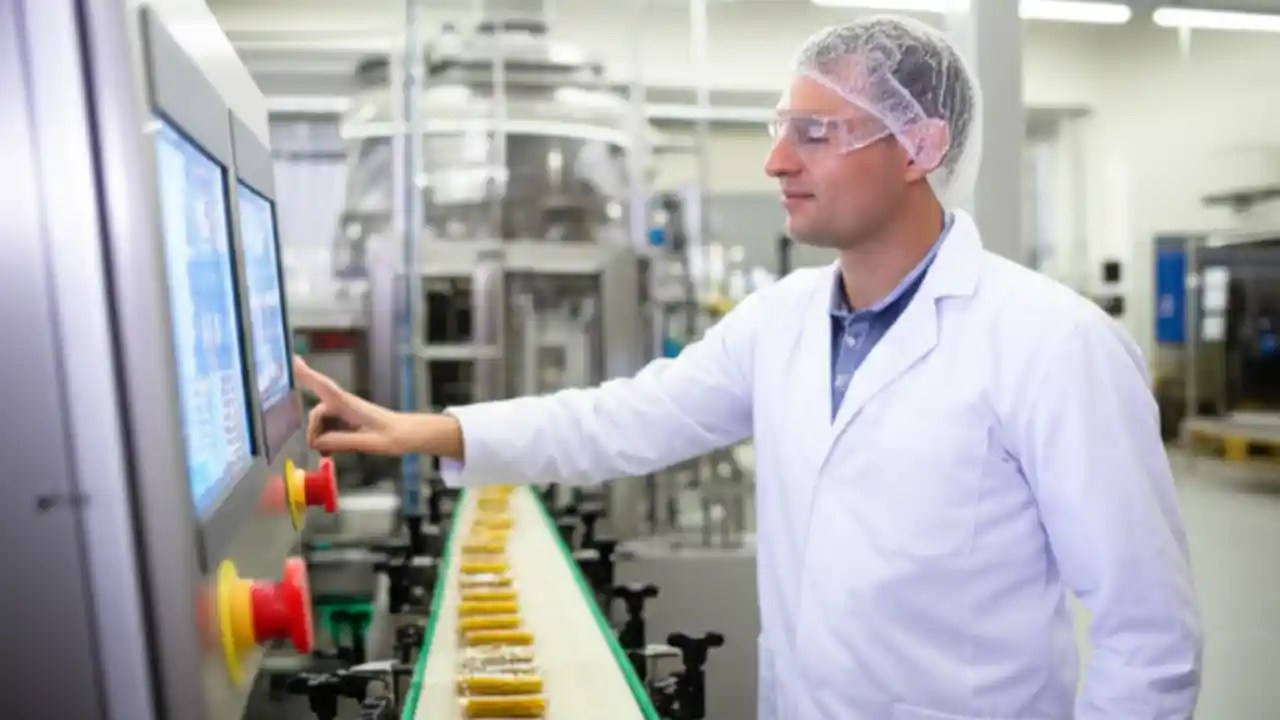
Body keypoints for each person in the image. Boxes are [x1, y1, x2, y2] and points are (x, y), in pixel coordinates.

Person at [294, 15, 1202, 720]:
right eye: (780, 128)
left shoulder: (1053, 343)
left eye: (814, 132)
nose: (775, 161)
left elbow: (1148, 637)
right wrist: (433, 431)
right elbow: (625, 419)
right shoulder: (783, 319)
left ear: (920, 146)